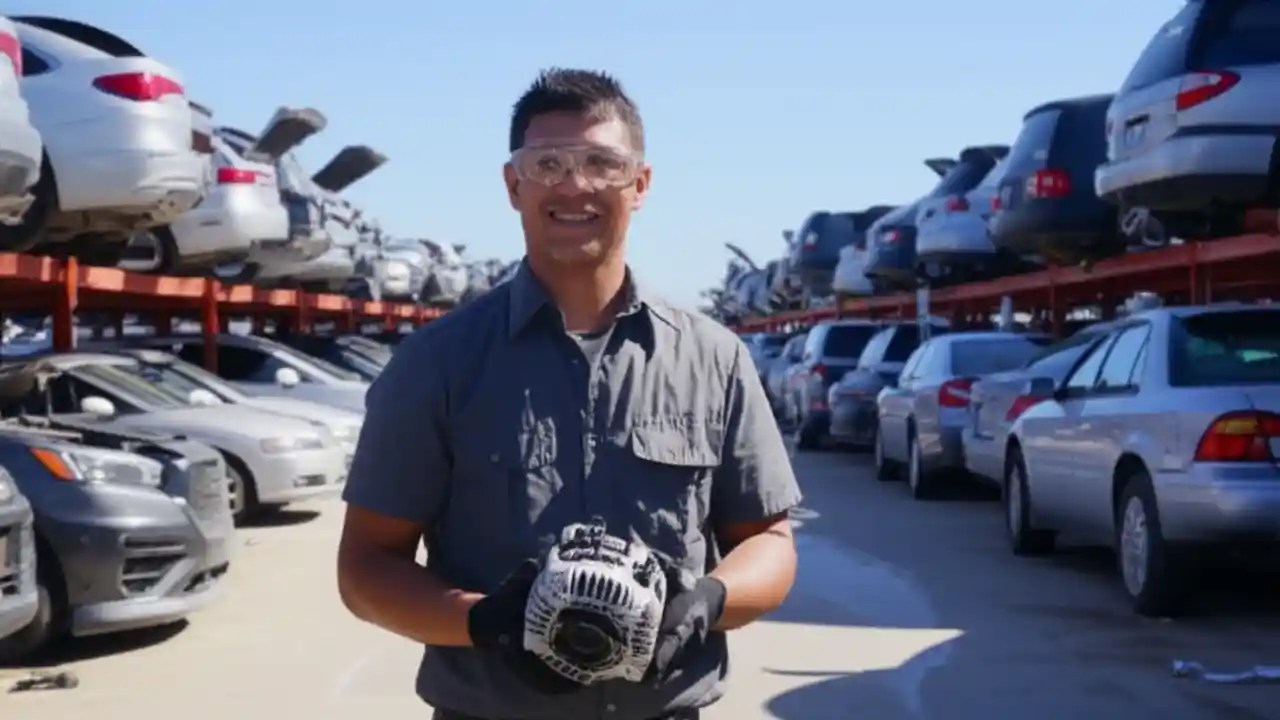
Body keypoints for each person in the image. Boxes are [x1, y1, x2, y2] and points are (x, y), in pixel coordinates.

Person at [336, 67, 802, 720]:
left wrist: (707, 604)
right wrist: (486, 622)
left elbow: (771, 542)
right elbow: (366, 566)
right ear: (513, 184)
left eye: (601, 163)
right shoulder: (437, 363)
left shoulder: (713, 359)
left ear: (639, 185)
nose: (575, 185)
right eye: (548, 163)